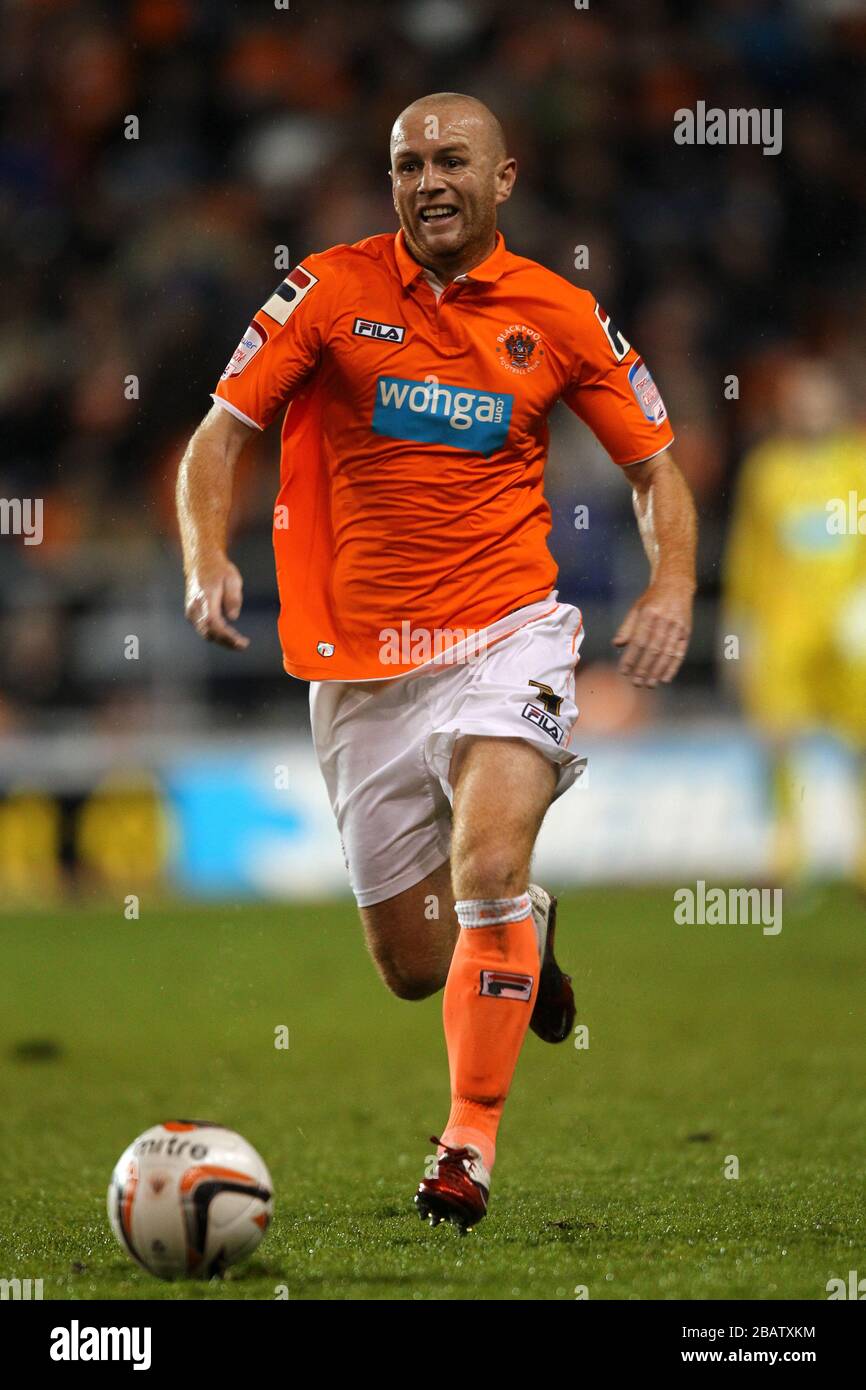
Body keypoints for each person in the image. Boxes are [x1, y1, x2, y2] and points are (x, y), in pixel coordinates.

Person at [176, 93, 697, 1230]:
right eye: (408, 162)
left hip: (506, 633)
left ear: (502, 179)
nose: (428, 180)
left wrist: (668, 582)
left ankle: (465, 1144)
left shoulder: (561, 317)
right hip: (359, 666)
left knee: (489, 863)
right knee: (414, 963)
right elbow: (220, 433)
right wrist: (204, 554)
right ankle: (525, 933)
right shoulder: (325, 289)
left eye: (452, 159)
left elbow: (656, 470)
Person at [724, 356, 866, 887]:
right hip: (783, 628)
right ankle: (788, 849)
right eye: (799, 398)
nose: (809, 408)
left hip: (851, 630)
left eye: (818, 395)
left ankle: (862, 854)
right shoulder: (767, 468)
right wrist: (738, 626)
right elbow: (748, 552)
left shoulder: (858, 461)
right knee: (778, 737)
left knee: (861, 740)